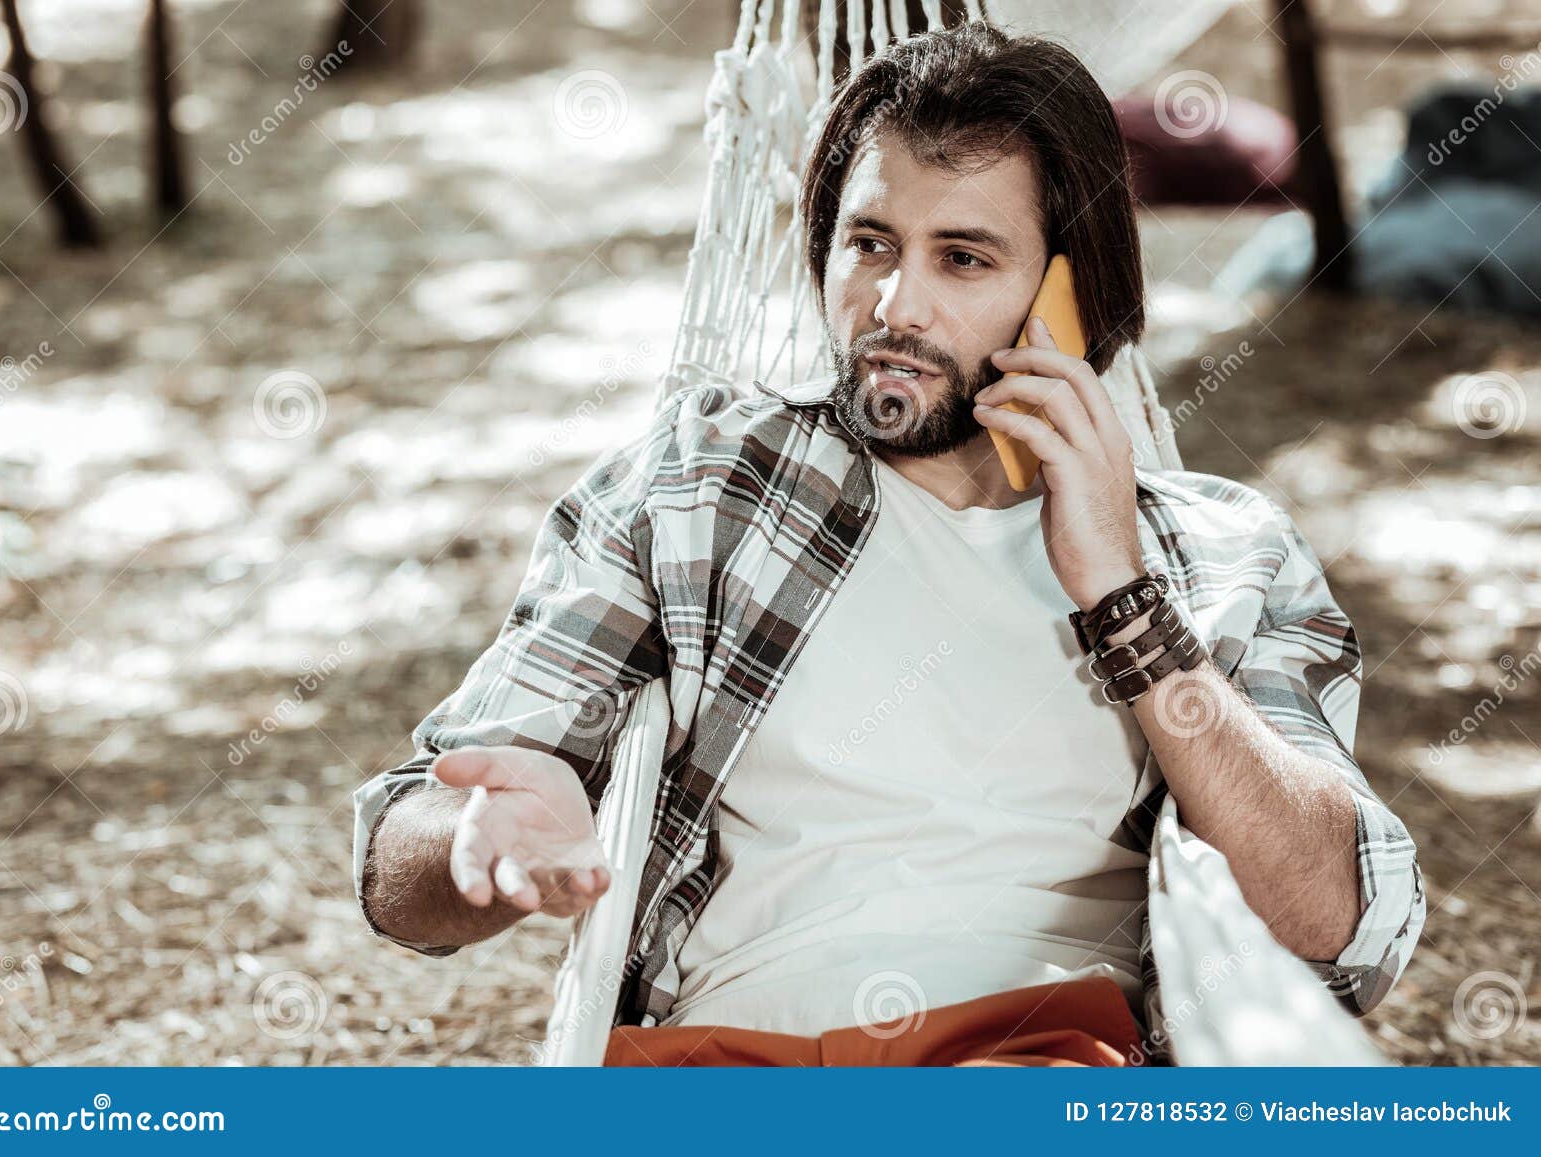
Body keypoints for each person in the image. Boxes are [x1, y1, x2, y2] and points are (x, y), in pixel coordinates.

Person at [351, 22, 1424, 1067]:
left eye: (963, 258)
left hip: (1030, 1065)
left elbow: (1340, 931)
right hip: (722, 1071)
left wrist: (1119, 596)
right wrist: (471, 836)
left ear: (1070, 295)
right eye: (869, 244)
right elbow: (399, 859)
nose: (894, 305)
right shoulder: (700, 488)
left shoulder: (1219, 553)